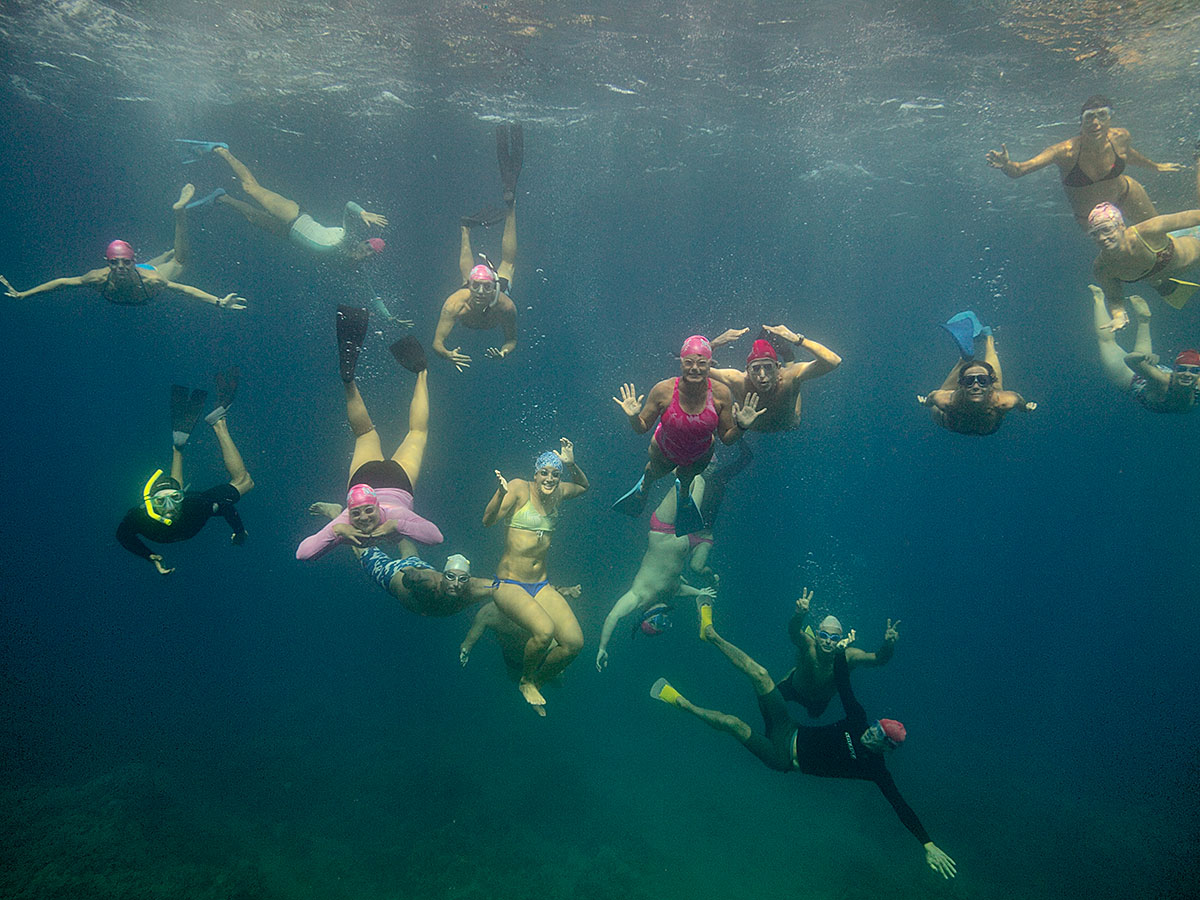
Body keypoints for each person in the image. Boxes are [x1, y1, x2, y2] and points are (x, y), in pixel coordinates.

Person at [651, 601, 956, 880]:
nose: (871, 731)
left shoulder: (874, 768)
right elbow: (844, 682)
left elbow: (900, 804)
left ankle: (682, 703)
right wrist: (838, 649)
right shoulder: (857, 719)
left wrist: (927, 843)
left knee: (733, 723)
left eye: (878, 735)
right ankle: (711, 633)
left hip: (781, 758)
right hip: (789, 726)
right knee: (760, 674)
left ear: (887, 748)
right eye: (876, 726)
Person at [296, 307, 442, 560]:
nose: (362, 518)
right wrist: (337, 530)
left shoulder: (382, 517)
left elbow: (304, 554)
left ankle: (351, 380)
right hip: (384, 482)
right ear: (349, 512)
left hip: (393, 482)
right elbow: (435, 537)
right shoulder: (349, 521)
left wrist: (392, 525)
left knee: (401, 433)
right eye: (357, 514)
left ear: (376, 506)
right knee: (381, 433)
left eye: (366, 511)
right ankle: (415, 374)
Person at [1, 184, 246, 309]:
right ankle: (164, 253)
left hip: (148, 271)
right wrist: (25, 293)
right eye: (114, 262)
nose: (119, 267)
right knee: (157, 260)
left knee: (180, 262)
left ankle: (179, 213)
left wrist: (217, 301)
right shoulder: (97, 278)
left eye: (124, 262)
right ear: (108, 263)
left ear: (130, 261)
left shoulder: (152, 281)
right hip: (142, 268)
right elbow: (62, 283)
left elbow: (184, 290)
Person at [613, 335, 761, 536]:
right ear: (681, 362)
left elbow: (727, 439)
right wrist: (633, 416)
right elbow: (641, 428)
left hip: (700, 455)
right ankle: (644, 485)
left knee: (687, 477)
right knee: (655, 472)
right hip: (664, 449)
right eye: (689, 362)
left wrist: (742, 426)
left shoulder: (721, 393)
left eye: (702, 363)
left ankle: (683, 494)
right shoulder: (663, 390)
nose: (695, 368)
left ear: (711, 364)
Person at [482, 441, 588, 715]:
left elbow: (584, 486)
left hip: (540, 584)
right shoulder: (518, 487)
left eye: (556, 473)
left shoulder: (559, 493)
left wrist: (572, 464)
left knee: (574, 643)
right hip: (508, 583)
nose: (550, 478)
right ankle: (527, 680)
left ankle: (536, 682)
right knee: (544, 632)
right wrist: (498, 494)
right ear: (536, 473)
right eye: (545, 472)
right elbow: (488, 521)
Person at [117, 370, 253, 573]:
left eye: (174, 498)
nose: (170, 506)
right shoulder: (140, 518)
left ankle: (218, 425)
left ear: (181, 497)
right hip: (189, 503)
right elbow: (123, 535)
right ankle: (179, 446)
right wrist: (148, 556)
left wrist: (239, 531)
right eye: (162, 502)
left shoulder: (195, 504)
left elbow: (225, 507)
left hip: (193, 501)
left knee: (244, 482)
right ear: (150, 503)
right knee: (235, 483)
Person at [986, 95, 1183, 226]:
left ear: (1110, 118)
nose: (1095, 123)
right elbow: (1021, 170)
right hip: (1091, 218)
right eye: (1089, 117)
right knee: (1128, 253)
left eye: (1102, 115)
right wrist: (1006, 165)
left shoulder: (1120, 137)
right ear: (1081, 121)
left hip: (1126, 195)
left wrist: (1154, 166)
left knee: (1158, 231)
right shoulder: (1065, 152)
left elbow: (1127, 154)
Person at [595, 478, 717, 672]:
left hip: (663, 528)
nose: (665, 620)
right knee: (699, 481)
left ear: (647, 618)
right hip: (685, 531)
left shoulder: (637, 596)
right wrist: (700, 592)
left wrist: (602, 648)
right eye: (666, 623)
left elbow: (613, 617)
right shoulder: (668, 595)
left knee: (688, 478)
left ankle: (656, 469)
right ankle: (693, 458)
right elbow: (681, 589)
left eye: (659, 622)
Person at [432, 124, 523, 371]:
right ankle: (504, 209)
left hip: (498, 289)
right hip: (466, 294)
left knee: (507, 266)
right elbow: (437, 343)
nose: (481, 291)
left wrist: (505, 352)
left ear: (493, 285)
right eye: (476, 286)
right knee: (495, 266)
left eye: (485, 286)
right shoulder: (455, 305)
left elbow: (511, 339)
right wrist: (446, 354)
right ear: (470, 287)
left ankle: (506, 210)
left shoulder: (505, 306)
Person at [201, 144, 387, 264]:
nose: (368, 254)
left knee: (252, 217)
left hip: (289, 234)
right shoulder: (349, 237)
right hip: (294, 216)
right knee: (251, 188)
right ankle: (221, 150)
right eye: (369, 248)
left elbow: (370, 292)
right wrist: (362, 213)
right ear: (365, 242)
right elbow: (349, 207)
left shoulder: (351, 263)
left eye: (372, 255)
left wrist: (388, 317)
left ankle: (220, 197)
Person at [777, 588, 900, 717]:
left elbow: (877, 659)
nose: (828, 641)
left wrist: (888, 645)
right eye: (824, 636)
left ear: (840, 639)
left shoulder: (848, 656)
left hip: (820, 701)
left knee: (814, 717)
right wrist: (799, 615)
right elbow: (794, 632)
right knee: (770, 702)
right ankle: (793, 671)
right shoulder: (809, 645)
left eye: (834, 638)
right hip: (794, 687)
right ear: (817, 636)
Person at [917, 312, 1036, 435]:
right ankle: (971, 352)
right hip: (956, 421)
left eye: (982, 381)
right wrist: (927, 403)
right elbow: (932, 397)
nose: (976, 386)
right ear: (961, 384)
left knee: (997, 388)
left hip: (972, 421)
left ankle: (985, 341)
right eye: (969, 382)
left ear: (990, 383)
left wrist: (1025, 407)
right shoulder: (947, 401)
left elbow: (1019, 401)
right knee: (935, 409)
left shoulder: (1004, 401)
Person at [1088, 201, 1200, 330]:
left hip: (1194, 238)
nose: (1101, 237)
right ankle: (1160, 284)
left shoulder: (1147, 230)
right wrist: (1119, 316)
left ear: (1121, 225)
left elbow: (1190, 217)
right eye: (1094, 233)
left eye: (1106, 229)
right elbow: (1114, 297)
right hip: (1167, 272)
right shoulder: (1102, 268)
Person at [707, 325, 842, 432]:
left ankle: (788, 358)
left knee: (793, 378)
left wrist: (799, 340)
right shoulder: (737, 379)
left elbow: (834, 361)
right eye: (755, 369)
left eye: (768, 367)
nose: (762, 375)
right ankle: (787, 357)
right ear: (747, 370)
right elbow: (692, 367)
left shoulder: (789, 375)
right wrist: (714, 344)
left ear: (778, 367)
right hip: (753, 428)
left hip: (789, 424)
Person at [1091, 286, 1200, 413]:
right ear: (1175, 369)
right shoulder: (1161, 380)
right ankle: (1099, 298)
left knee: (1144, 359)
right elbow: (1130, 361)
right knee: (1107, 342)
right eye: (1182, 369)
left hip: (1153, 372)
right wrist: (1143, 357)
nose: (1187, 374)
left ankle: (1144, 321)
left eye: (1194, 370)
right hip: (1132, 378)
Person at [460, 584, 582, 680]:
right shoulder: (488, 613)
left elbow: (545, 591)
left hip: (545, 656)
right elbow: (473, 634)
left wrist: (566, 590)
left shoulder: (533, 604)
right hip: (514, 662)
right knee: (515, 683)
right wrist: (466, 647)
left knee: (557, 683)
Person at [686, 441, 753, 581]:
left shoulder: (719, 479)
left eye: (713, 465)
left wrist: (739, 437)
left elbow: (747, 457)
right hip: (683, 535)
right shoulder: (690, 478)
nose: (709, 468)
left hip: (704, 536)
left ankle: (712, 579)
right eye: (706, 464)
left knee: (696, 568)